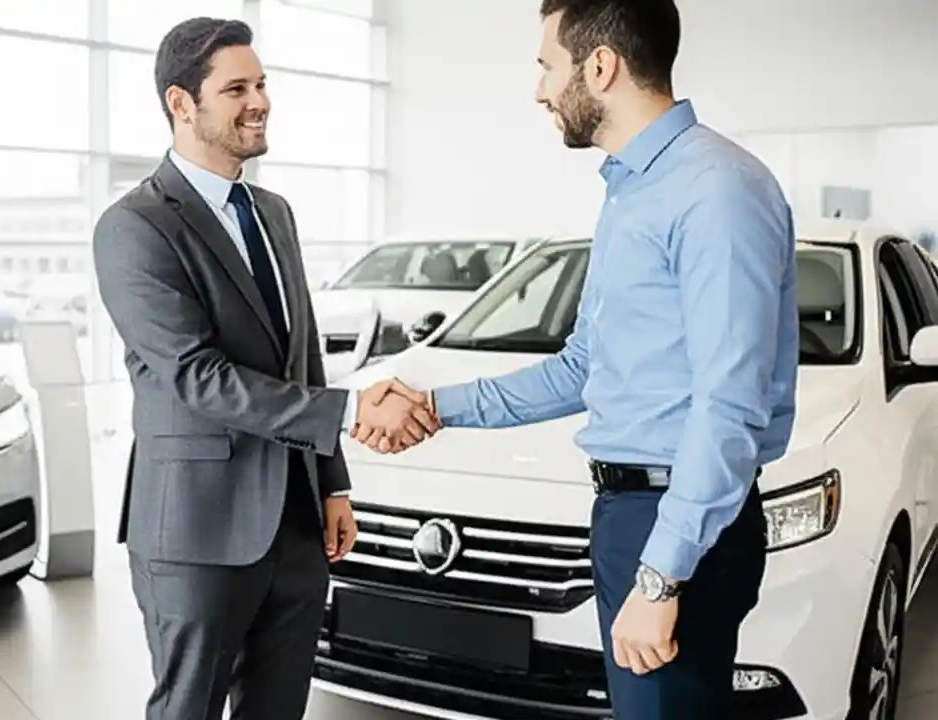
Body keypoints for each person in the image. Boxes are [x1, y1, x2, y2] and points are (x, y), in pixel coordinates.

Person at [355, 0, 798, 717]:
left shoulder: (715, 189)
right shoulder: (632, 190)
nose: (537, 90)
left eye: (545, 66)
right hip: (629, 513)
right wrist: (436, 407)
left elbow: (731, 404)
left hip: (674, 523)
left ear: (600, 66)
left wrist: (660, 578)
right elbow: (584, 369)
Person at [91, 17, 438, 720]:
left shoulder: (273, 212)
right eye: (237, 88)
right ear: (181, 104)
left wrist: (333, 480)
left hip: (296, 522)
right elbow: (195, 375)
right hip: (198, 529)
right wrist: (348, 412)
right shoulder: (135, 226)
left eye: (262, 84)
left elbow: (302, 352)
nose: (260, 101)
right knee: (188, 708)